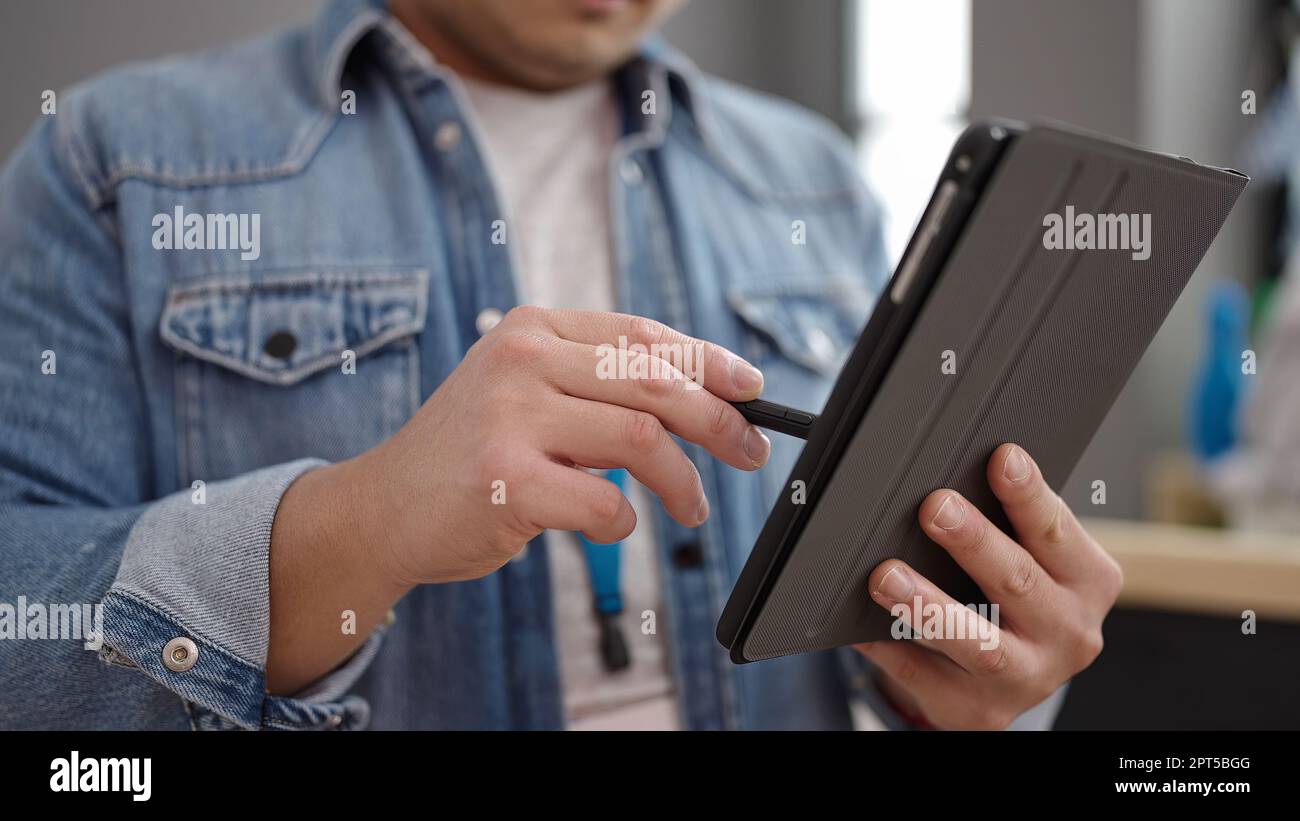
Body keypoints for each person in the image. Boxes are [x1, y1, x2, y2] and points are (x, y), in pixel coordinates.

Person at [0, 0, 1122, 730]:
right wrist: (359, 522)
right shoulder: (119, 161)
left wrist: (984, 684)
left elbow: (877, 641)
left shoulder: (814, 179)